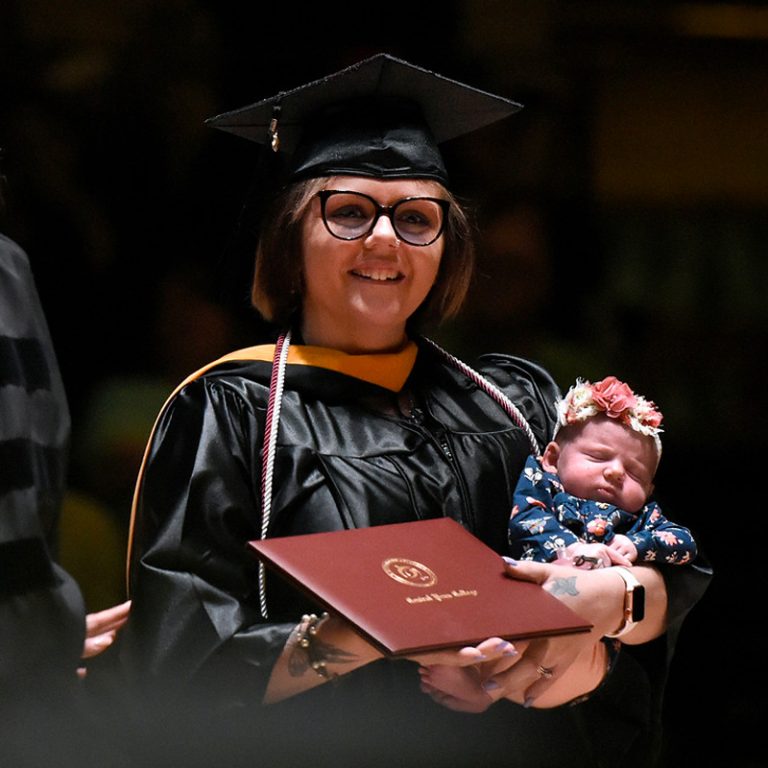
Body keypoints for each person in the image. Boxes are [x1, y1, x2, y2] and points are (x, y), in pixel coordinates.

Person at [115, 54, 711, 768]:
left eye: (416, 217)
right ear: (290, 234)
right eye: (348, 212)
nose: (385, 239)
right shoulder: (233, 413)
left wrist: (611, 598)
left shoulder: (511, 400)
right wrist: (374, 628)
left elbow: (658, 571)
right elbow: (177, 671)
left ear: (446, 243)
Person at [509, 375, 697, 568]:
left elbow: (686, 544)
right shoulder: (543, 485)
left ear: (648, 491)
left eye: (634, 473)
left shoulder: (644, 518)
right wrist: (572, 548)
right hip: (541, 583)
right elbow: (525, 519)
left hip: (610, 591)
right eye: (598, 457)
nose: (616, 472)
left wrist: (637, 544)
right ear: (552, 459)